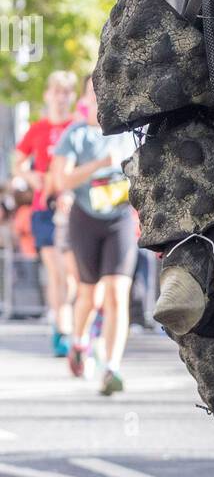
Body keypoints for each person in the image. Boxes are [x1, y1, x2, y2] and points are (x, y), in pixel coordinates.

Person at [50, 76, 139, 395]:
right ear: (88, 95)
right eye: (95, 91)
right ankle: (78, 342)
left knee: (116, 292)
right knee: (89, 294)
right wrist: (101, 164)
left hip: (120, 219)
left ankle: (111, 367)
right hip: (85, 218)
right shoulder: (76, 135)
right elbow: (61, 180)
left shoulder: (128, 132)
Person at [12, 71, 78, 355]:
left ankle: (70, 318)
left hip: (73, 208)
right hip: (43, 208)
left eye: (66, 92)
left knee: (72, 275)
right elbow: (17, 163)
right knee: (55, 271)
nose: (61, 97)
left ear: (72, 97)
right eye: (57, 92)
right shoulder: (36, 129)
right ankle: (61, 327)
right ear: (48, 95)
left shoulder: (75, 128)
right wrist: (30, 178)